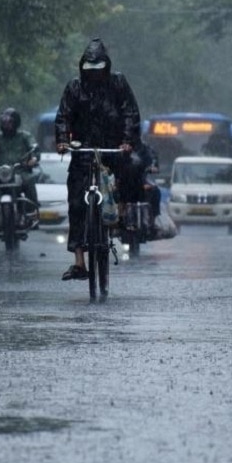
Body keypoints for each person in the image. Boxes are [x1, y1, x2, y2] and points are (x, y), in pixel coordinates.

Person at [54, 38, 141, 281]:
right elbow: (63, 117)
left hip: (113, 149)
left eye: (98, 69)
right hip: (82, 151)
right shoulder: (74, 88)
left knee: (130, 171)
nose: (94, 74)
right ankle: (79, 262)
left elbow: (130, 113)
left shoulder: (118, 83)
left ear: (106, 67)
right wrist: (62, 140)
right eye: (90, 69)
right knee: (76, 203)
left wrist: (127, 141)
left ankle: (123, 216)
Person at [0, 108, 40, 219]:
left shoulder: (25, 136)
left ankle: (32, 212)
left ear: (16, 123)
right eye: (4, 123)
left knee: (29, 181)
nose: (6, 125)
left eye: (9, 123)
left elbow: (33, 146)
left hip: (20, 170)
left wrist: (33, 159)